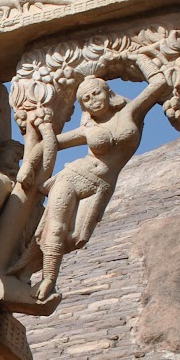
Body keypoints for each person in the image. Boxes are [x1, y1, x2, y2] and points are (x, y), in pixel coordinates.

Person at [36, 72, 170, 301]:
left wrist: (135, 58)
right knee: (56, 229)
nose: (93, 100)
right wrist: (42, 131)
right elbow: (52, 144)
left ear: (108, 92)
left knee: (78, 237)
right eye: (86, 99)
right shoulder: (88, 128)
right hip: (73, 176)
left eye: (96, 93)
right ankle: (49, 278)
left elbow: (158, 83)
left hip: (101, 184)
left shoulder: (129, 112)